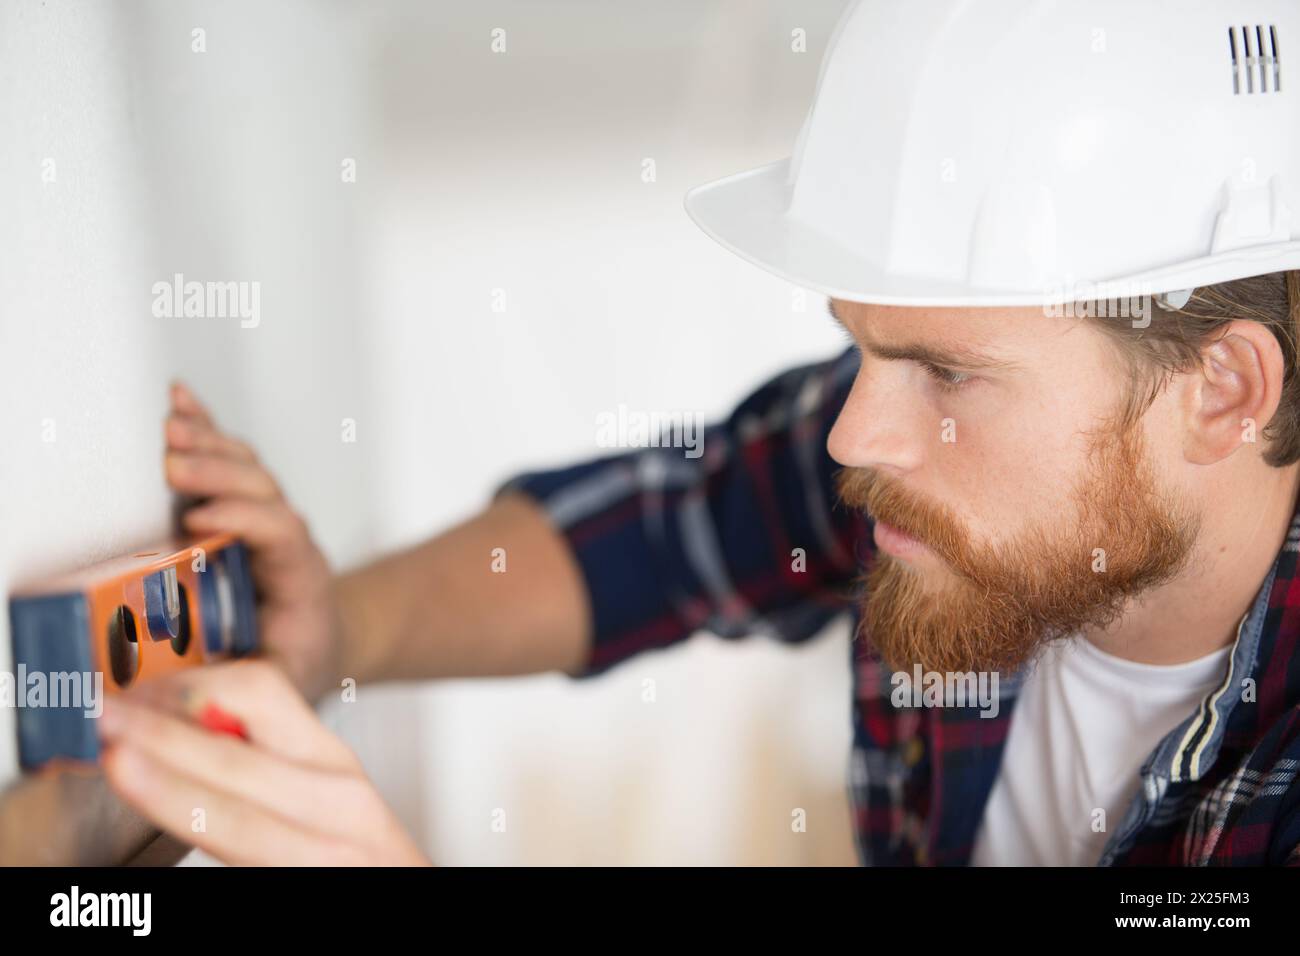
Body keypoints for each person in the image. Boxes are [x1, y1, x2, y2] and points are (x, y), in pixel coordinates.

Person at [99, 0, 1300, 865]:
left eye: (942, 370)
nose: (850, 433)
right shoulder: (941, 480)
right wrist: (342, 627)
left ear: (1222, 392)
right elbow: (674, 528)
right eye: (859, 343)